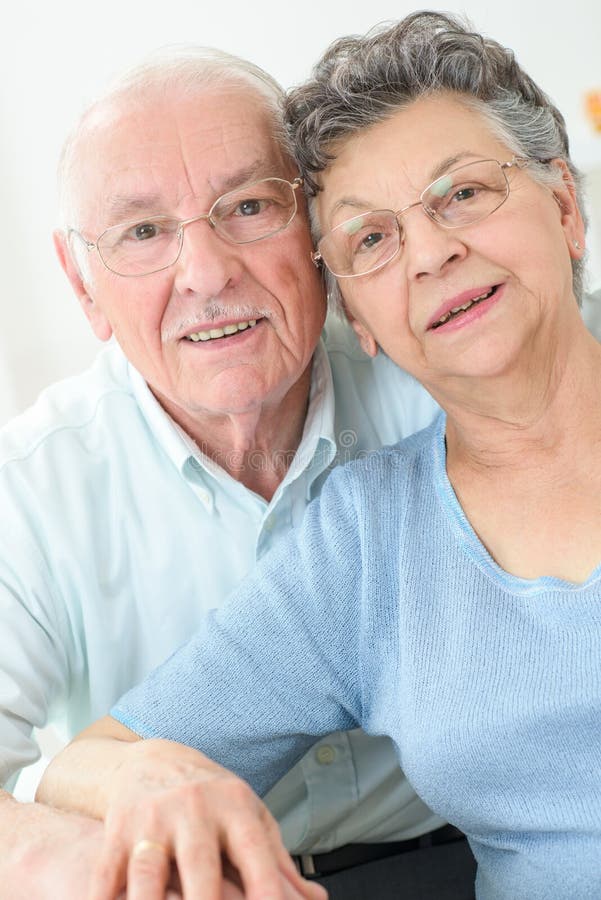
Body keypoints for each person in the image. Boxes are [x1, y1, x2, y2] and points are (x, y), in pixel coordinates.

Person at [38, 10, 601, 900]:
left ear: (564, 206)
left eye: (462, 193)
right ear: (356, 314)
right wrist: (147, 782)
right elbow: (102, 758)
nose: (431, 252)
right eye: (372, 238)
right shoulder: (363, 541)